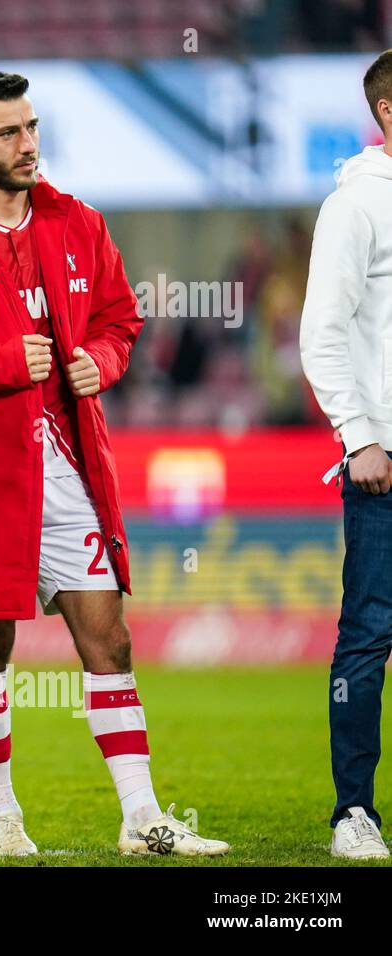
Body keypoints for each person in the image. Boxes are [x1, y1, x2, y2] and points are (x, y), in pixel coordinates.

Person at [0, 69, 228, 858]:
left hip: (70, 467)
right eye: (9, 132)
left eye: (32, 127)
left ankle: (142, 819)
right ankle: (4, 818)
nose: (29, 144)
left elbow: (119, 318)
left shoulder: (78, 222)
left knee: (108, 640)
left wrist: (100, 361)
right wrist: (5, 361)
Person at [298, 50, 392, 861]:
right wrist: (357, 434)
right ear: (389, 112)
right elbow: (321, 330)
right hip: (385, 462)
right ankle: (352, 812)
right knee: (369, 633)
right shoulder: (356, 205)